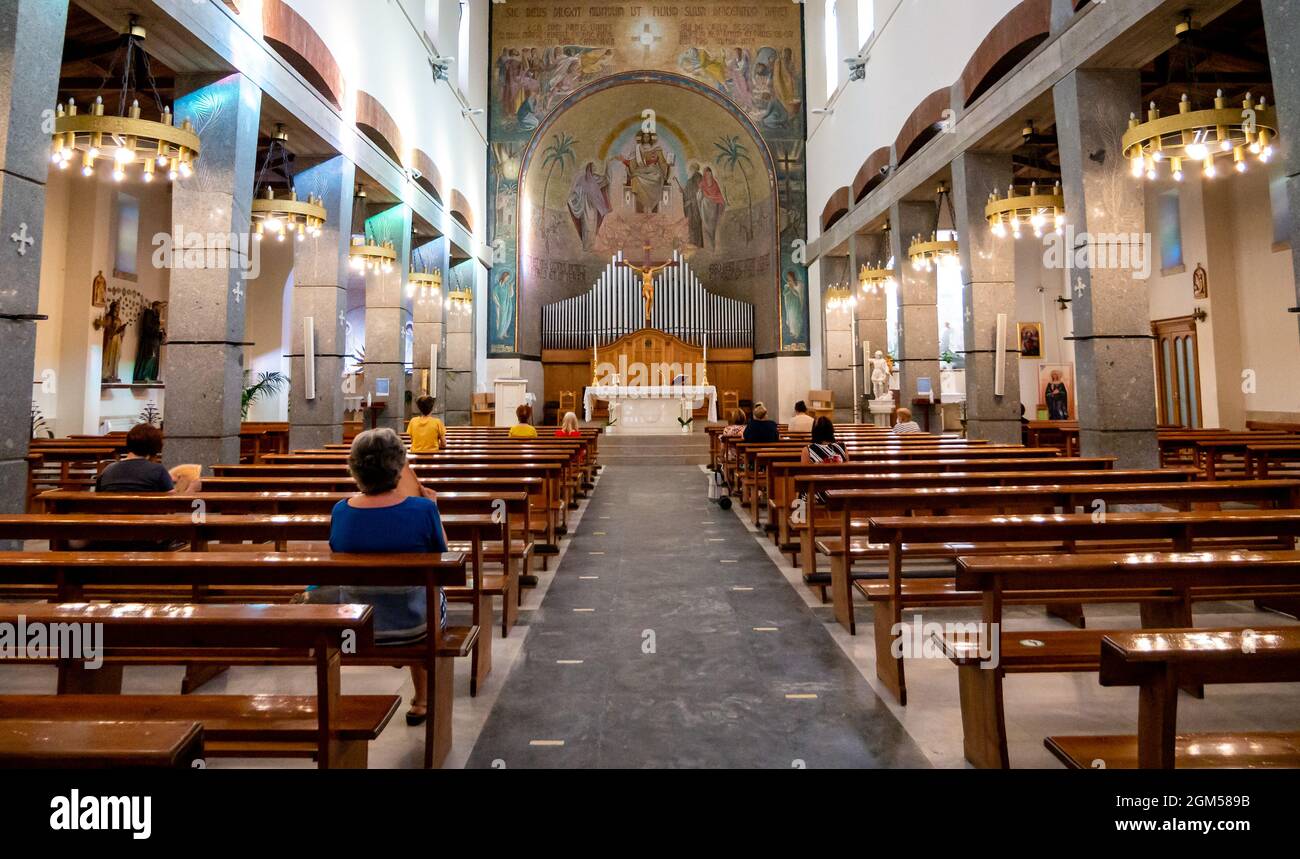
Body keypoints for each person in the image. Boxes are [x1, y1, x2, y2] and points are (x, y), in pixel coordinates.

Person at [320, 429, 449, 726]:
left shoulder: (341, 511)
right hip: (414, 627)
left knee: (409, 591)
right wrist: (434, 509)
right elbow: (441, 556)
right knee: (425, 590)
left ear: (355, 468)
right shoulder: (423, 509)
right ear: (398, 466)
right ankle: (423, 698)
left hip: (358, 624)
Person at [95, 424, 201, 495]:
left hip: (111, 525)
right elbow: (172, 504)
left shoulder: (107, 470)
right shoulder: (157, 470)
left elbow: (97, 498)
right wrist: (192, 489)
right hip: (147, 526)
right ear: (154, 448)